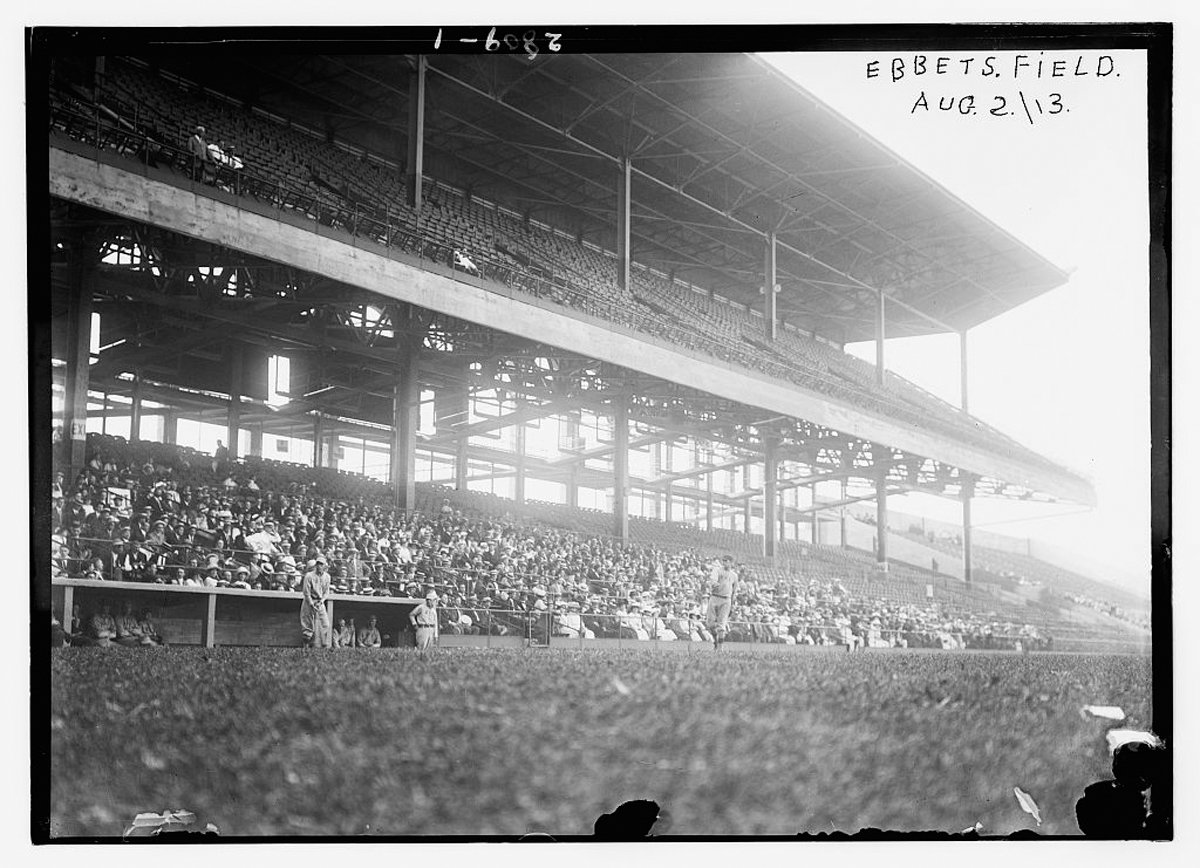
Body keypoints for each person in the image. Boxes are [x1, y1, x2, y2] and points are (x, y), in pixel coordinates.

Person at [705, 555, 738, 649]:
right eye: (723, 561)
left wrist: (732, 604)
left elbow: (734, 591)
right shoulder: (717, 570)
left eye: (726, 561)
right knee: (710, 624)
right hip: (715, 597)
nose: (724, 562)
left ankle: (720, 648)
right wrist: (713, 584)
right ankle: (715, 640)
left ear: (731, 563)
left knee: (722, 624)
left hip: (726, 599)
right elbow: (713, 581)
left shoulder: (734, 575)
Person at [300, 554, 333, 648]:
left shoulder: (327, 577)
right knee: (307, 626)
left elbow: (326, 592)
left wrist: (321, 601)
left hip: (319, 601)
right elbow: (306, 593)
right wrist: (311, 604)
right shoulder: (309, 576)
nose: (319, 566)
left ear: (325, 566)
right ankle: (305, 647)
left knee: (325, 624)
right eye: (318, 564)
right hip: (309, 601)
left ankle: (321, 644)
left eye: (321, 564)